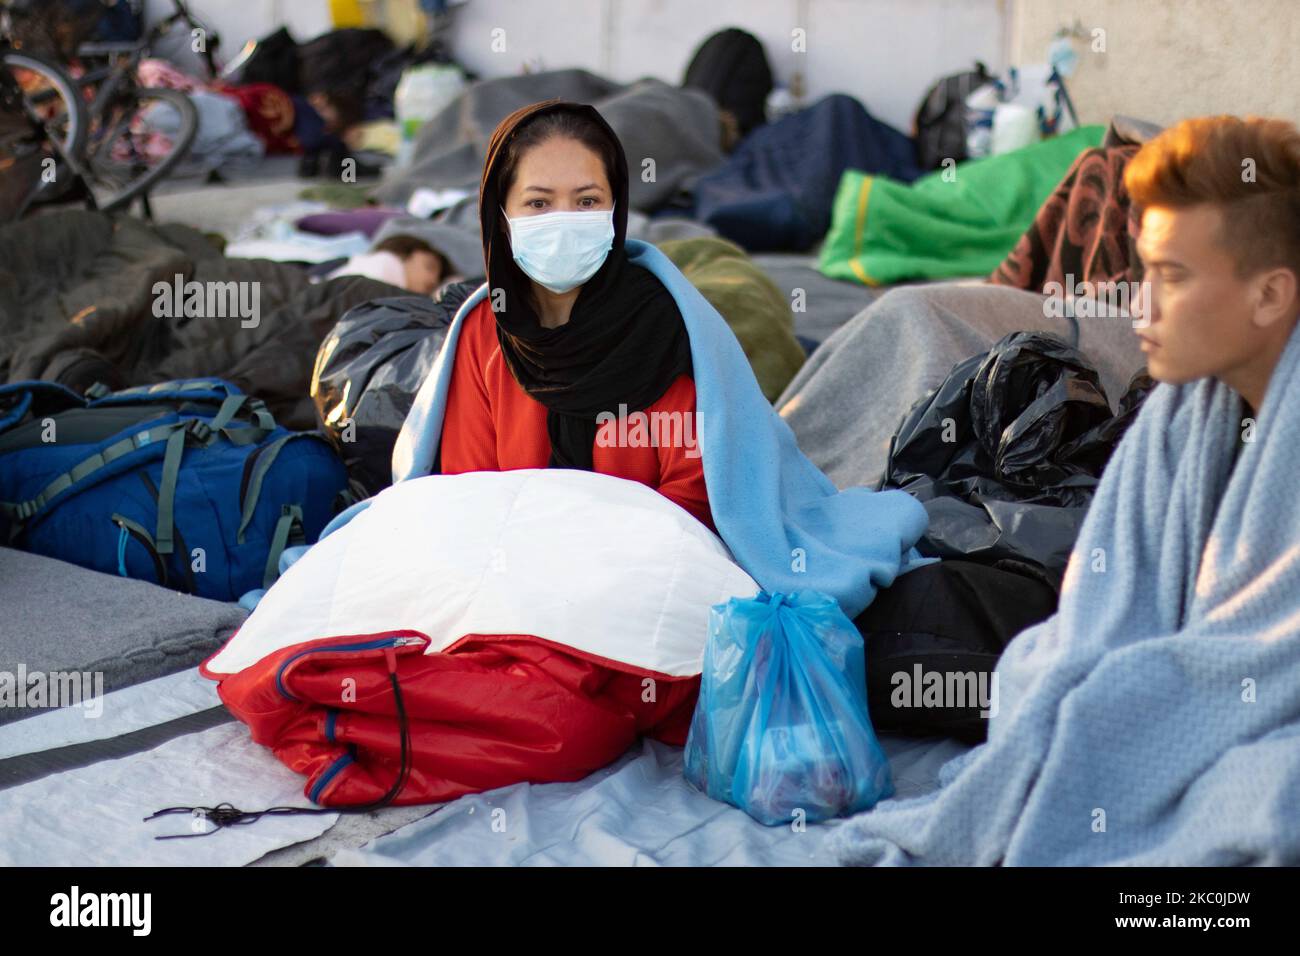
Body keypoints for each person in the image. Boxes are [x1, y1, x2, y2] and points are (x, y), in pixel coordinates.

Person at [436, 100, 712, 529]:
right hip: (516, 563)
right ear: (501, 216)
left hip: (651, 560)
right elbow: (470, 490)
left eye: (586, 201)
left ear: (616, 208)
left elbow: (693, 496)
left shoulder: (663, 327)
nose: (564, 222)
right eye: (538, 204)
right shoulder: (485, 331)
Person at [327, 234, 450, 295]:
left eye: (438, 280)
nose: (433, 280)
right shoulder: (384, 263)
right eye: (429, 267)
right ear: (403, 254)